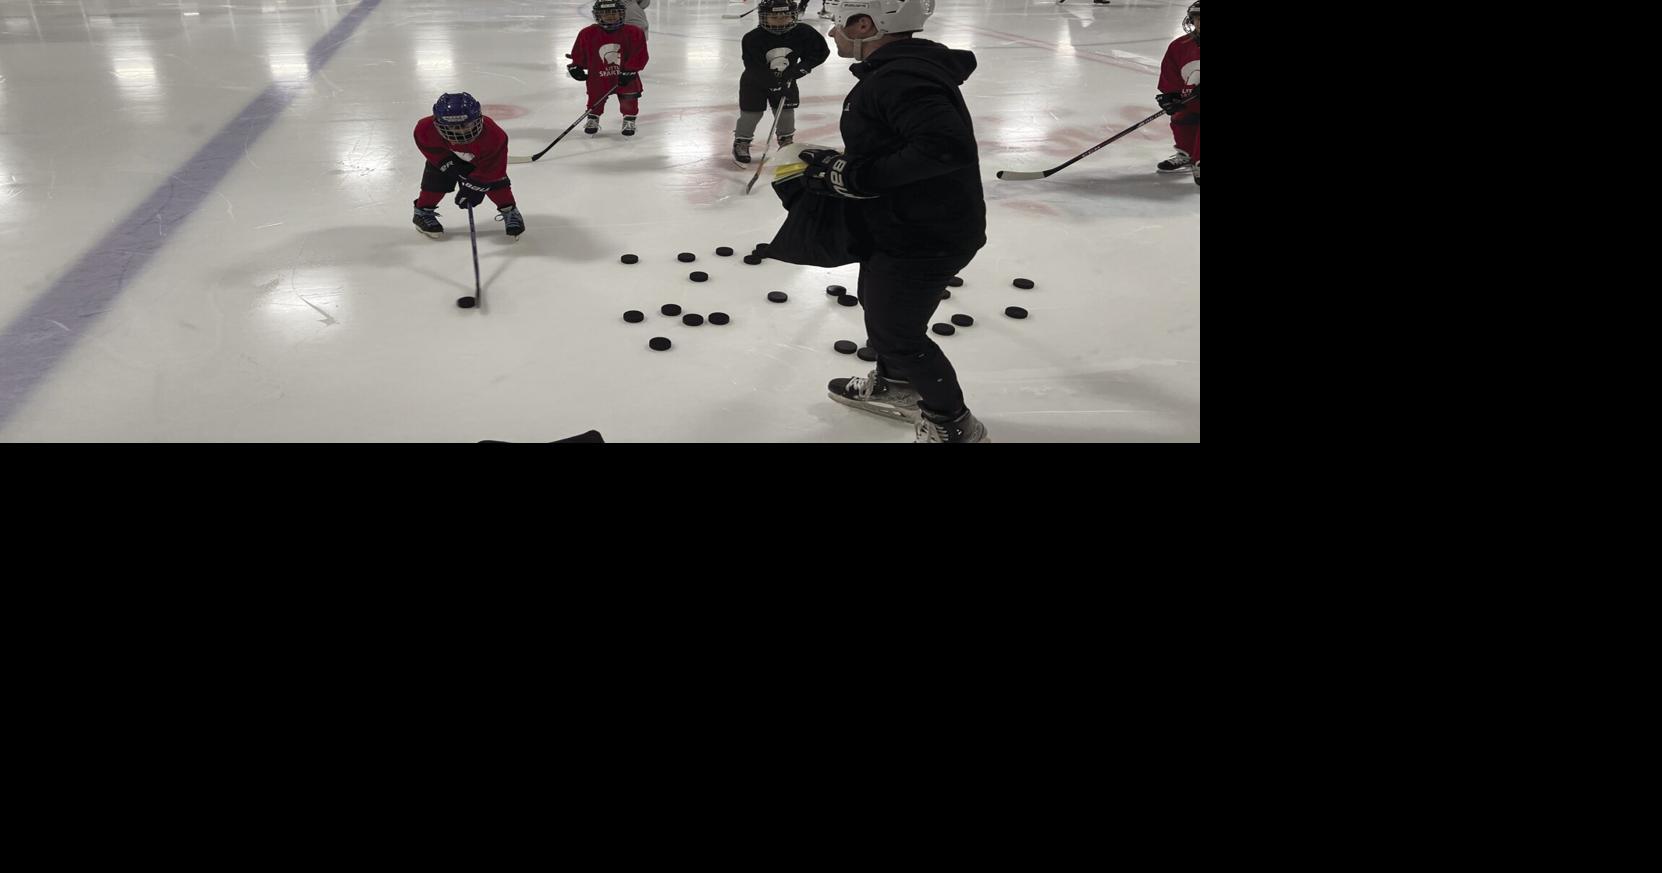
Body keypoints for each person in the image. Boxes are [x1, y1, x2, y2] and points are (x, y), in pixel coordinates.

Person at [803, 0, 990, 443]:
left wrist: (858, 175)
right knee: (876, 303)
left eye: (837, 25)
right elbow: (903, 142)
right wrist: (846, 163)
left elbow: (945, 146)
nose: (832, 34)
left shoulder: (900, 77)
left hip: (926, 233)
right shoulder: (896, 69)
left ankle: (952, 423)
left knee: (897, 332)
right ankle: (899, 384)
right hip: (901, 222)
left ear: (865, 24)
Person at [411, 92, 523, 240]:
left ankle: (509, 210)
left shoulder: (494, 136)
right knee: (435, 182)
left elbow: (494, 169)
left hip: (480, 161)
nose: (461, 132)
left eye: (466, 125)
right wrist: (446, 164)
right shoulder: (424, 128)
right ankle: (422, 212)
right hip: (448, 155)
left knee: (498, 184)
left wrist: (476, 185)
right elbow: (430, 149)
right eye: (453, 127)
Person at [732, 0, 829, 165]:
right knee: (751, 114)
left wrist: (801, 68)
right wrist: (775, 86)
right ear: (763, 17)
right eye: (774, 16)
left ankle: (786, 142)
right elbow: (754, 68)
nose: (780, 19)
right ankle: (742, 141)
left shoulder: (803, 32)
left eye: (785, 15)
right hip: (754, 83)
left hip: (787, 79)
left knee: (786, 113)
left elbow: (820, 52)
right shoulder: (753, 38)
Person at [567, 0, 649, 137]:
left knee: (629, 97)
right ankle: (593, 118)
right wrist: (576, 66)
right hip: (598, 74)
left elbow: (639, 54)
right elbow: (580, 52)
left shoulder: (634, 32)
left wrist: (631, 70)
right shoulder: (587, 33)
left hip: (625, 74)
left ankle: (629, 119)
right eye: (605, 13)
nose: (610, 16)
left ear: (621, 13)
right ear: (597, 15)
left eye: (614, 12)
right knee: (595, 97)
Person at [1155, 1, 1200, 184]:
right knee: (1181, 119)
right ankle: (1186, 154)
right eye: (1198, 17)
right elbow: (1171, 73)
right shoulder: (1179, 45)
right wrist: (1170, 95)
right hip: (1190, 99)